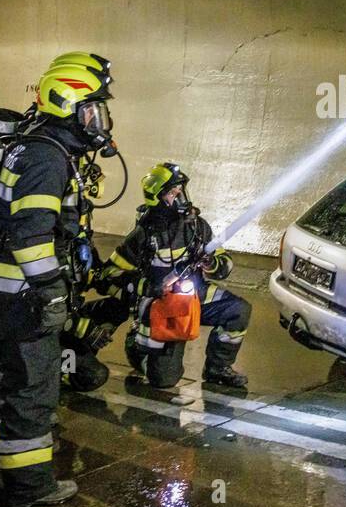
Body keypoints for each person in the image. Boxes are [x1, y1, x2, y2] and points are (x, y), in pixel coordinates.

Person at [0, 56, 115, 507]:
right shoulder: (46, 156)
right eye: (93, 109)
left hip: (1, 291)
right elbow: (30, 234)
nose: (99, 120)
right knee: (31, 387)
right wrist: (51, 291)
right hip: (22, 294)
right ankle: (30, 487)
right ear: (68, 102)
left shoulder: (34, 145)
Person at [96, 162, 250, 389]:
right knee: (165, 380)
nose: (179, 197)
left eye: (180, 190)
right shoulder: (143, 235)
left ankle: (218, 368)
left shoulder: (198, 227)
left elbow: (225, 265)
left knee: (238, 310)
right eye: (172, 192)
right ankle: (138, 350)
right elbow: (107, 276)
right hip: (163, 307)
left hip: (196, 296)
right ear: (157, 198)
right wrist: (147, 288)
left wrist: (210, 263)